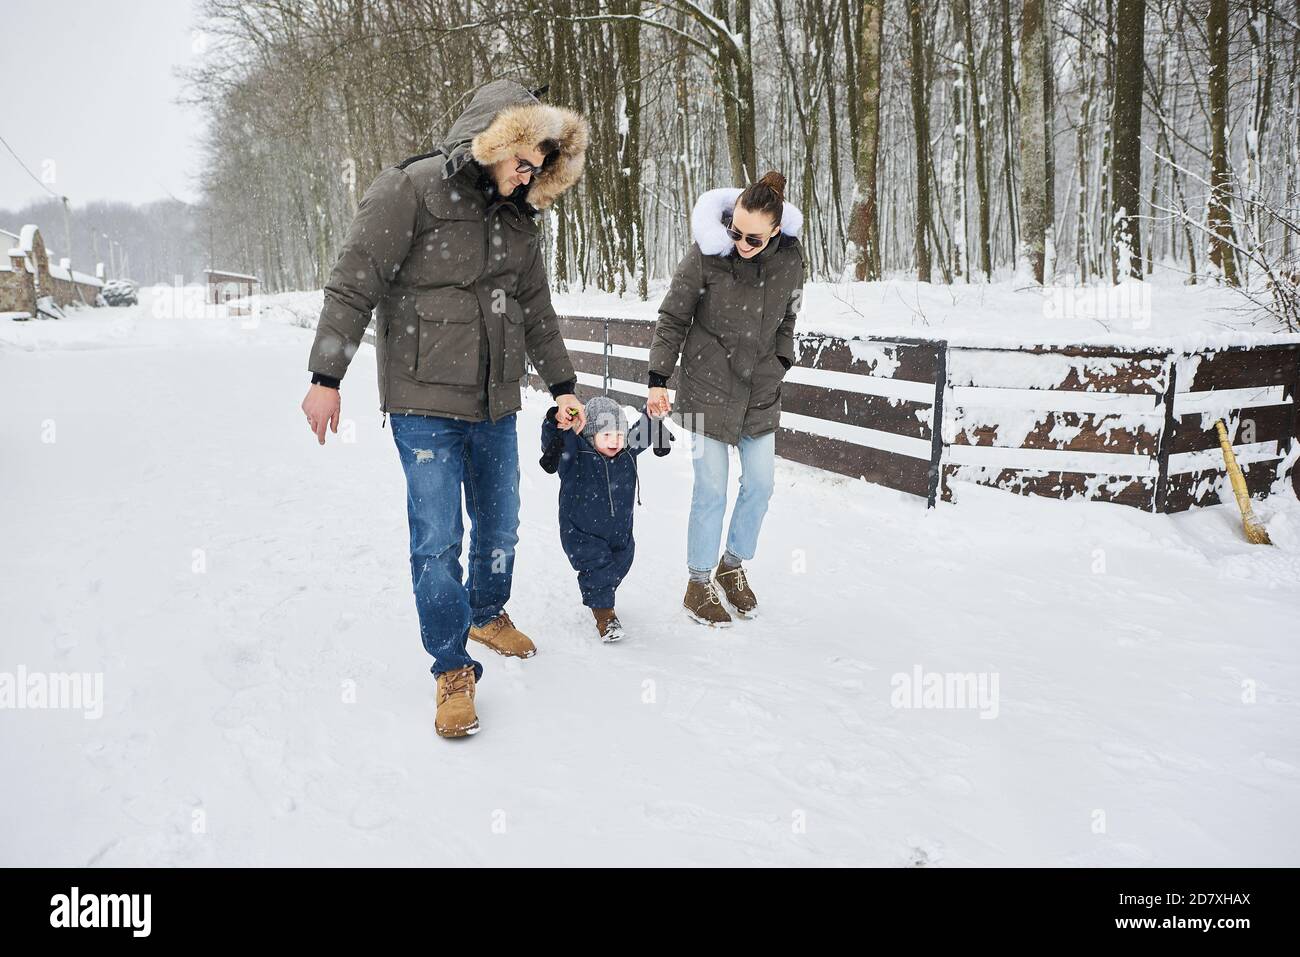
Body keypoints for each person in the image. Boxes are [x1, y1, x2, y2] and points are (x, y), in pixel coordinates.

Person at [300, 80, 590, 738]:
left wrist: (564, 384)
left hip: (495, 400)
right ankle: (450, 666)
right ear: (498, 138)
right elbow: (355, 279)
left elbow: (536, 311)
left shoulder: (520, 219)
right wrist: (327, 373)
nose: (530, 176)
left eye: (541, 168)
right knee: (437, 540)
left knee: (502, 523)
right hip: (423, 400)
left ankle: (487, 612)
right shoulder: (410, 189)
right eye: (525, 161)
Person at [646, 171, 804, 626]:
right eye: (736, 232)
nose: (742, 243)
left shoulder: (791, 261)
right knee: (711, 489)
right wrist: (659, 377)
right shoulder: (707, 256)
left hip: (760, 391)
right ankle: (698, 582)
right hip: (705, 389)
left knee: (761, 484)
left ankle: (731, 565)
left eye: (754, 238)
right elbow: (672, 317)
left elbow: (789, 316)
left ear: (776, 230)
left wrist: (782, 358)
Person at [539, 395, 672, 642]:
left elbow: (641, 432)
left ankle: (603, 593)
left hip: (619, 531)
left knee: (621, 560)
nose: (615, 441)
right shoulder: (576, 453)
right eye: (607, 435)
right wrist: (556, 423)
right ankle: (605, 616)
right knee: (597, 570)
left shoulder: (627, 453)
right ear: (590, 435)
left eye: (619, 435)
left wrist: (652, 416)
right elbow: (553, 440)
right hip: (580, 530)